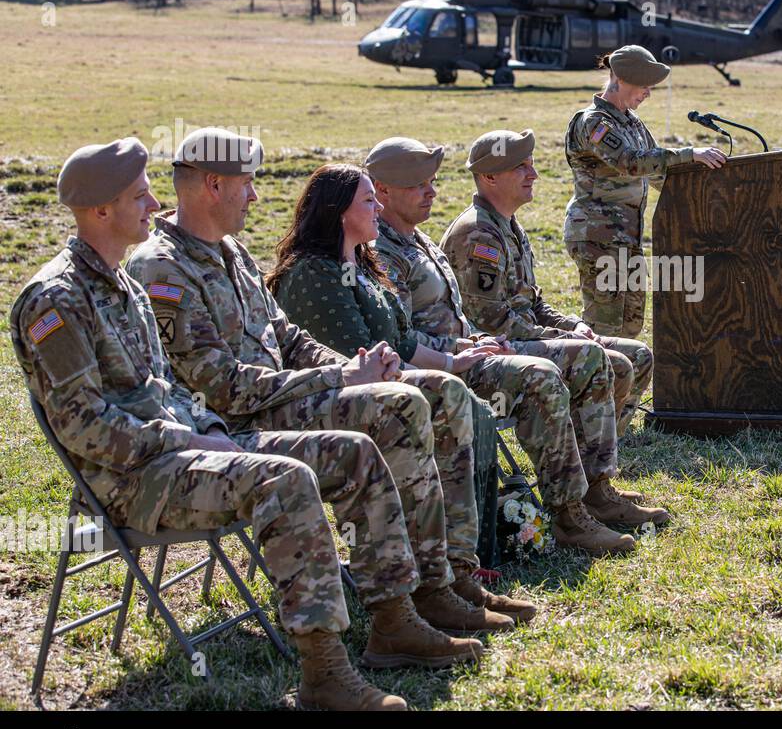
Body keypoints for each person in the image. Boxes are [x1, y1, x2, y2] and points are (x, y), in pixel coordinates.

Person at [14, 138, 474, 712]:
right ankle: (324, 674)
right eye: (140, 196)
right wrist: (190, 434)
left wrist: (202, 424)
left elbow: (173, 388)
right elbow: (86, 428)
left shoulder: (122, 284)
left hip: (184, 449)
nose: (154, 204)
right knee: (283, 480)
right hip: (132, 481)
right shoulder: (56, 300)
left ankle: (395, 619)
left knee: (353, 452)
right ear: (100, 211)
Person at [125, 128, 511, 634]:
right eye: (247, 183)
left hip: (276, 401)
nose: (256, 195)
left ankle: (446, 577)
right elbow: (222, 388)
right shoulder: (162, 269)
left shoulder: (231, 252)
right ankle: (399, 608)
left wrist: (357, 369)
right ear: (213, 185)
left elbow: (286, 336)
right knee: (396, 407)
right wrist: (338, 377)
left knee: (433, 392)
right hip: (232, 423)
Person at [270, 162, 641, 560]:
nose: (377, 207)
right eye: (369, 200)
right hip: (366, 397)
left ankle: (574, 504)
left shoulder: (361, 263)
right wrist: (449, 364)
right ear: (337, 210)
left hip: (426, 368)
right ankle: (515, 535)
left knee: (561, 369)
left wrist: (456, 357)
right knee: (540, 375)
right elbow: (354, 359)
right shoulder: (315, 274)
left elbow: (405, 340)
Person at [366, 136, 657, 537]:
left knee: (628, 357)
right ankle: (570, 511)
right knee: (583, 363)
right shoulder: (413, 246)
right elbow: (409, 335)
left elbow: (524, 303)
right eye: (419, 184)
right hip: (448, 367)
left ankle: (592, 487)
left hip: (476, 350)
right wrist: (462, 350)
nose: (432, 191)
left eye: (431, 181)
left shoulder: (426, 238)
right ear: (382, 190)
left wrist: (569, 326)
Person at [442, 128, 672, 527]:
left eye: (531, 165)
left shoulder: (507, 225)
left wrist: (576, 325)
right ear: (489, 178)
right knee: (591, 358)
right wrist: (568, 339)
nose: (533, 174)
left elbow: (533, 304)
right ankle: (581, 496)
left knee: (636, 356)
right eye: (521, 168)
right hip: (492, 352)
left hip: (523, 338)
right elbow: (493, 322)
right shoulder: (478, 234)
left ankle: (593, 481)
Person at [564, 44, 726, 339]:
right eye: (644, 85)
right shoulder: (594, 123)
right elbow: (631, 163)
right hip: (598, 237)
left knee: (631, 323)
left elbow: (657, 172)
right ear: (621, 80)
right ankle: (594, 381)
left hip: (628, 237)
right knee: (605, 327)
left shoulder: (632, 122)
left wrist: (706, 197)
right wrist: (689, 153)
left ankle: (622, 384)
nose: (648, 93)